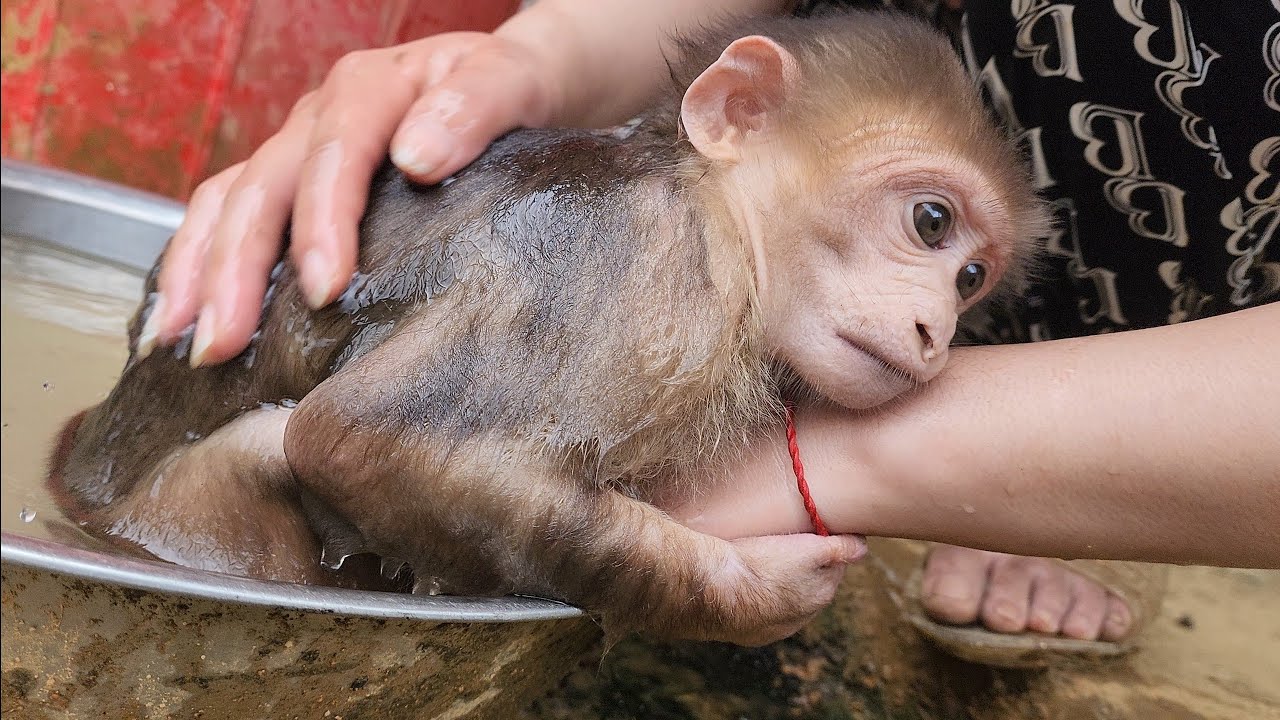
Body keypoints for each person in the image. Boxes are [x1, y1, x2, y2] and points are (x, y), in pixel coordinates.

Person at [138, 0, 1279, 665]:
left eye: (969, 280)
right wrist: (540, 57)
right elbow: (359, 440)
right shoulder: (656, 258)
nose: (936, 319)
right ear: (736, 113)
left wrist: (845, 461)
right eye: (926, 224)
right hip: (200, 512)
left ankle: (1045, 476)